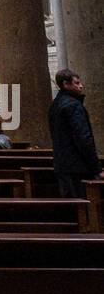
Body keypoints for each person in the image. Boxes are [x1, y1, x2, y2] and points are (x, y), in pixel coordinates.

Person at [48, 68, 103, 198]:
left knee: (71, 207)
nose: (81, 86)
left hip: (62, 165)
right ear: (66, 84)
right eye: (77, 83)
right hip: (78, 167)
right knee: (85, 206)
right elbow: (83, 138)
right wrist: (97, 168)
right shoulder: (73, 106)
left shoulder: (55, 105)